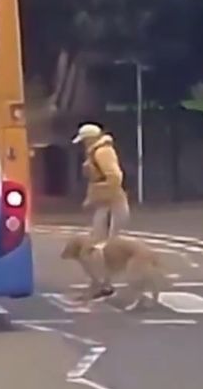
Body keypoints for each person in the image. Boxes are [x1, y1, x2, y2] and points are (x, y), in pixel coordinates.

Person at [72, 122, 131, 299]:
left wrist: (96, 195)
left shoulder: (102, 152)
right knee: (97, 248)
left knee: (97, 248)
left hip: (112, 205)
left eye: (84, 141)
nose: (83, 145)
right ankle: (102, 284)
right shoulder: (96, 152)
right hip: (106, 205)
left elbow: (115, 177)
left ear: (90, 139)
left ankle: (103, 284)